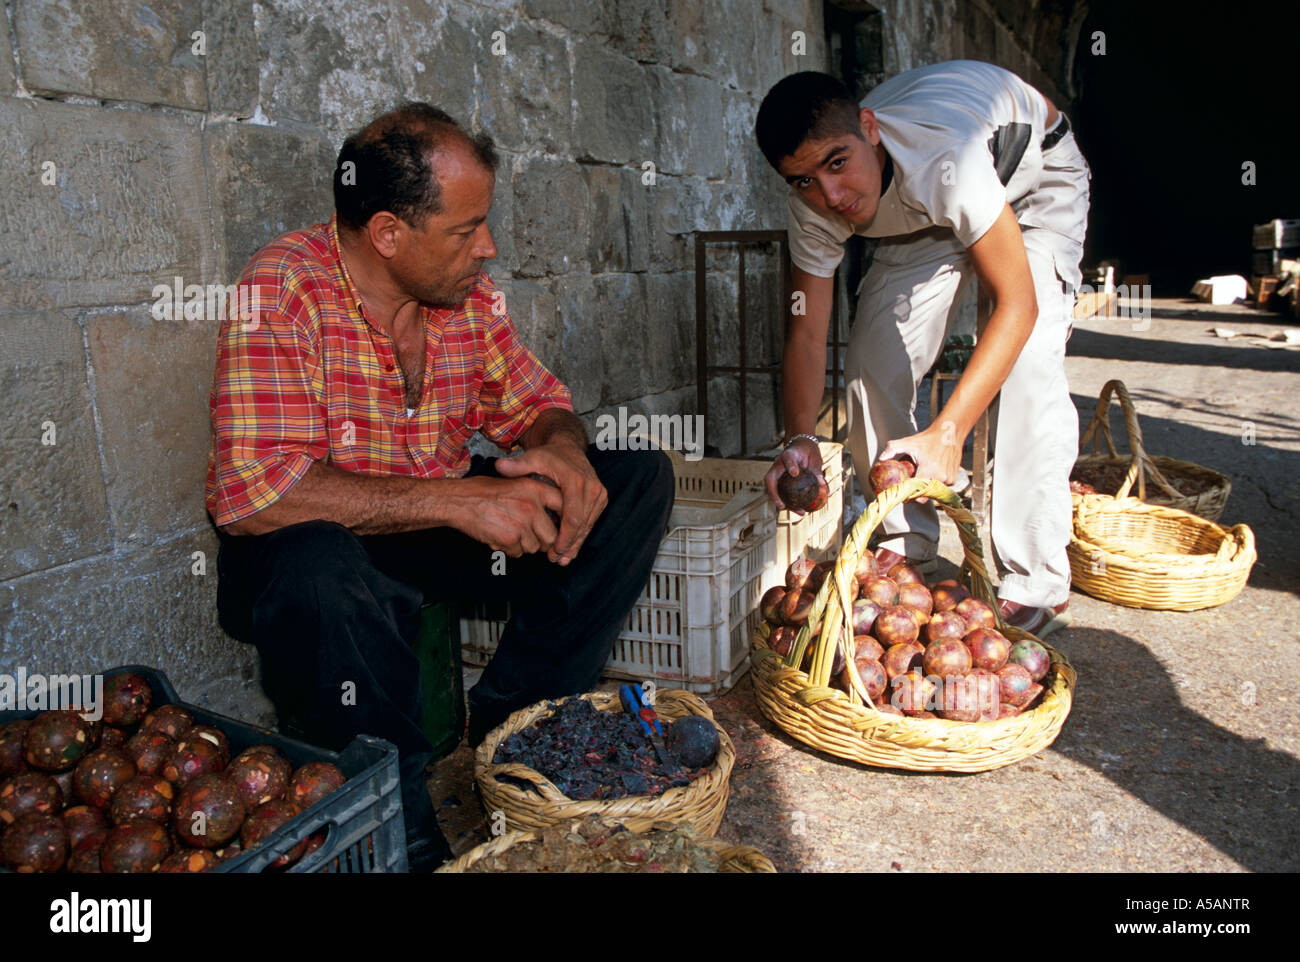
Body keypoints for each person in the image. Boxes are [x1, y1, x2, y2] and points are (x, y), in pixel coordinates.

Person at [206, 103, 674, 870]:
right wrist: (463, 501)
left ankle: (520, 729)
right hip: (313, 549)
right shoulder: (282, 288)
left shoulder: (464, 298)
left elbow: (538, 402)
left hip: (434, 525)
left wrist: (562, 454)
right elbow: (255, 493)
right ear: (389, 234)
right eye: (466, 231)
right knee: (318, 568)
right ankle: (398, 810)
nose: (485, 248)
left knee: (638, 479)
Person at [754, 62, 1090, 638]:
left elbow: (1018, 305)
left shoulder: (946, 158)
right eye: (803, 179)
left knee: (1027, 364)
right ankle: (905, 552)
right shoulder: (816, 202)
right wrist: (800, 440)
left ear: (870, 128)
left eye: (837, 162)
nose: (830, 195)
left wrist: (949, 431)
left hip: (1033, 180)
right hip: (917, 219)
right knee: (868, 365)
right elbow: (807, 333)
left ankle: (1034, 581)